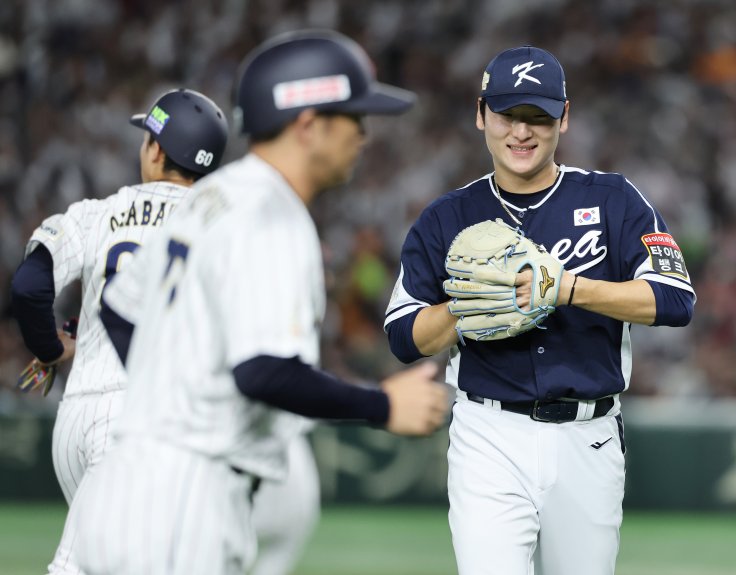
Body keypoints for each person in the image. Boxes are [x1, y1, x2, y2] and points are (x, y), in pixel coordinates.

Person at [69, 29, 448, 575]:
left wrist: (167, 395)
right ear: (308, 124)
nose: (364, 135)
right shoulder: (272, 216)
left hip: (131, 484)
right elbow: (263, 373)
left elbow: (119, 308)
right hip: (182, 504)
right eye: (354, 118)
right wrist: (382, 405)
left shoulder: (214, 197)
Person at [384, 45, 696, 575]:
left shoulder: (613, 199)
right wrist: (468, 306)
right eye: (507, 114)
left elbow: (674, 298)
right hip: (488, 433)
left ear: (564, 118)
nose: (521, 132)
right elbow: (403, 336)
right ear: (480, 113)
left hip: (588, 435)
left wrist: (569, 287)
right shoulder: (448, 217)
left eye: (538, 117)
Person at [10, 88, 228, 574]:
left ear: (156, 149)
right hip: (140, 422)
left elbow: (28, 286)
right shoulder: (221, 225)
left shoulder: (96, 213)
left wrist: (49, 347)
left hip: (76, 417)